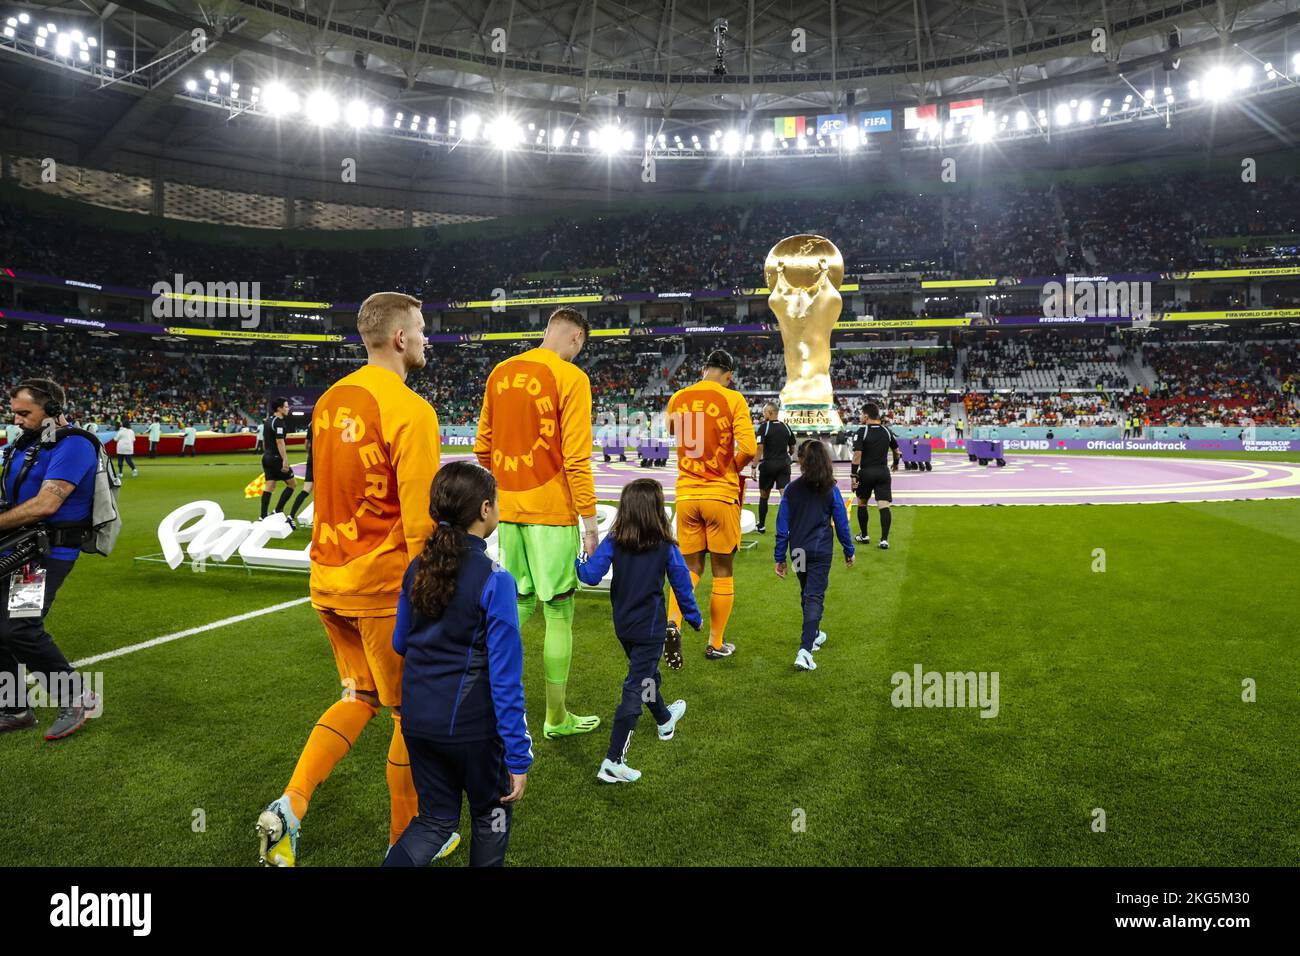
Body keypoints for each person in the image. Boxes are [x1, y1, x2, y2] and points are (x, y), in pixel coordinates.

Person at [256, 292, 454, 867]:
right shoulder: (411, 410)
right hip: (381, 587)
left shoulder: (328, 399)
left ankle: (289, 807)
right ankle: (407, 839)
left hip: (327, 578)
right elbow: (421, 523)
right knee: (409, 713)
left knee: (358, 695)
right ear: (398, 338)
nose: (425, 339)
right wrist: (436, 595)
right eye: (419, 330)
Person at [384, 462, 531, 867]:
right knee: (490, 816)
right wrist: (518, 756)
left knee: (434, 822)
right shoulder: (496, 579)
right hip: (472, 730)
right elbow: (505, 679)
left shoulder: (418, 566)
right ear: (485, 509)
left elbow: (400, 642)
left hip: (418, 722)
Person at [474, 306, 601, 741]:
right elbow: (576, 457)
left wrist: (501, 496)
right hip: (553, 511)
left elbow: (482, 448)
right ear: (576, 339)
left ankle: (472, 682)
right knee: (560, 610)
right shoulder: (573, 379)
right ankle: (556, 717)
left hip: (509, 510)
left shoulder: (501, 372)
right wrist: (589, 520)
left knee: (520, 600)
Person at [575, 478, 700, 784]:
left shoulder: (615, 540)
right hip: (651, 628)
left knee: (645, 676)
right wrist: (694, 618)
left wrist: (578, 560)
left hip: (624, 626)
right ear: (657, 510)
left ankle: (665, 720)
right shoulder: (666, 547)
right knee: (636, 684)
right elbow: (682, 585)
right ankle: (613, 760)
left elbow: (591, 576)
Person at [0, 379, 101, 740]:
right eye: (14, 412)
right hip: (16, 547)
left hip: (46, 552)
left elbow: (47, 504)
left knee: (19, 627)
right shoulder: (25, 444)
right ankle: (14, 708)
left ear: (53, 411)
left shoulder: (74, 446)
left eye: (24, 412)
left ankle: (77, 698)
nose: (16, 420)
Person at [664, 348, 757, 660]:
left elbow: (672, 430)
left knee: (689, 568)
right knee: (722, 570)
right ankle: (716, 644)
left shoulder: (679, 397)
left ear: (703, 368)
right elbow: (749, 448)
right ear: (728, 375)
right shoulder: (733, 399)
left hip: (687, 494)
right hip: (720, 493)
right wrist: (730, 468)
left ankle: (672, 623)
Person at [774, 440, 855, 671]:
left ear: (802, 461)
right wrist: (849, 550)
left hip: (798, 550)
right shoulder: (831, 489)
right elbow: (841, 523)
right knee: (814, 596)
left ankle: (815, 633)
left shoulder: (791, 489)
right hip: (820, 552)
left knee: (806, 591)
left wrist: (779, 557)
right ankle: (805, 650)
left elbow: (782, 527)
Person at [851, 403, 901, 550]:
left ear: (866, 416)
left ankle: (864, 535)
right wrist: (896, 463)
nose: (860, 417)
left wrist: (853, 475)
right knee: (884, 506)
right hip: (883, 472)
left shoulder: (862, 431)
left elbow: (857, 455)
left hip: (866, 472)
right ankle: (884, 540)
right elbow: (896, 450)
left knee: (862, 503)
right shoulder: (886, 431)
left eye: (861, 414)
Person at [752, 402, 795, 534]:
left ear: (770, 413)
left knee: (764, 495)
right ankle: (788, 527)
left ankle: (762, 526)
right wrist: (787, 455)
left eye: (764, 412)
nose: (763, 414)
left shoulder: (764, 427)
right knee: (784, 496)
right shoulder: (786, 427)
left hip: (768, 465)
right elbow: (792, 446)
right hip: (783, 465)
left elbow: (759, 448)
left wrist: (754, 466)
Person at [259, 398, 298, 526]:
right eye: (286, 406)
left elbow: (265, 441)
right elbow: (280, 442)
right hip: (276, 458)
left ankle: (263, 516)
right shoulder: (279, 422)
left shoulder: (268, 421)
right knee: (292, 484)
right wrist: (285, 460)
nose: (288, 408)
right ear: (279, 408)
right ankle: (278, 509)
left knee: (270, 486)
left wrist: (268, 454)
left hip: (266, 457)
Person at [285, 409, 315, 529]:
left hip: (311, 458)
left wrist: (311, 453)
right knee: (324, 492)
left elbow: (306, 444)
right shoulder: (328, 423)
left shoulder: (311, 424)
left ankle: (291, 515)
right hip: (322, 460)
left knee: (306, 490)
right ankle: (321, 519)